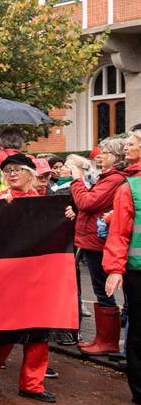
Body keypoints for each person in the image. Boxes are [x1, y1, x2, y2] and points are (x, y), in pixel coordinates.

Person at [0, 154, 75, 403]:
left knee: (40, 329)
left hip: (40, 276)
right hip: (8, 277)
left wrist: (71, 216)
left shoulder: (45, 205)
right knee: (9, 327)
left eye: (18, 169)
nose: (12, 173)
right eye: (7, 170)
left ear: (30, 174)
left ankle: (32, 383)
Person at [70, 136, 134, 355]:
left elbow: (87, 202)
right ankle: (102, 338)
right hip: (91, 240)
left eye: (104, 153)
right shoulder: (109, 178)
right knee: (100, 290)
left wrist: (77, 180)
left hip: (97, 242)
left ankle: (108, 341)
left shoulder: (113, 179)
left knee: (102, 290)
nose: (99, 156)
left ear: (115, 158)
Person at [100, 133, 141, 405]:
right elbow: (119, 233)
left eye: (133, 143)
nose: (127, 147)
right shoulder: (129, 187)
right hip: (138, 272)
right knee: (139, 329)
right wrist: (115, 269)